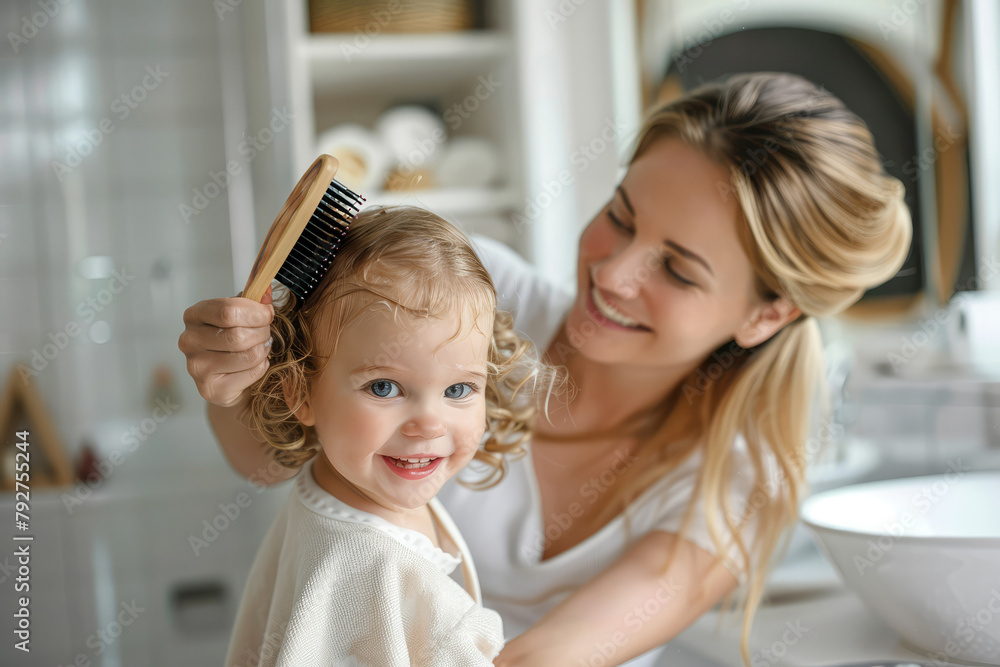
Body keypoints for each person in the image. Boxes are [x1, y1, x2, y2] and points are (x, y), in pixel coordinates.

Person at [180, 73, 912, 666]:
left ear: (766, 314)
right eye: (622, 216)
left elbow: (547, 657)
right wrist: (233, 381)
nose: (615, 271)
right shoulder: (470, 303)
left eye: (679, 270)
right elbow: (263, 460)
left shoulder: (735, 483)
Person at [219, 206, 546, 666]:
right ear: (301, 391)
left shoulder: (328, 488)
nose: (429, 425)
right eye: (385, 387)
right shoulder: (394, 581)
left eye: (458, 389)